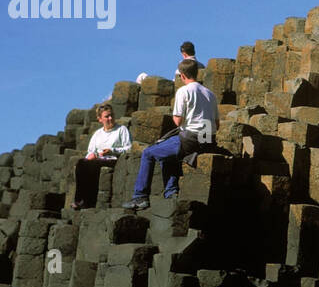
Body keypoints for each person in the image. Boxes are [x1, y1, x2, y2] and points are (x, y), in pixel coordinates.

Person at [123, 59, 218, 209]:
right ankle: (171, 192)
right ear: (196, 73)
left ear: (182, 75)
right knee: (165, 151)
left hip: (191, 140)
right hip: (208, 140)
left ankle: (140, 197)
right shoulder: (210, 94)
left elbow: (177, 121)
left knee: (148, 153)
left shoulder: (184, 91)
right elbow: (216, 124)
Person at [73, 102, 131, 209]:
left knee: (92, 166)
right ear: (100, 119)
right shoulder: (98, 134)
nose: (110, 118)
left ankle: (88, 201)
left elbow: (128, 148)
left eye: (111, 115)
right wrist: (90, 156)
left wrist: (112, 150)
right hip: (98, 159)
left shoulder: (121, 130)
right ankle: (79, 200)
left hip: (113, 160)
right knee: (81, 163)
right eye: (106, 116)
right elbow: (91, 151)